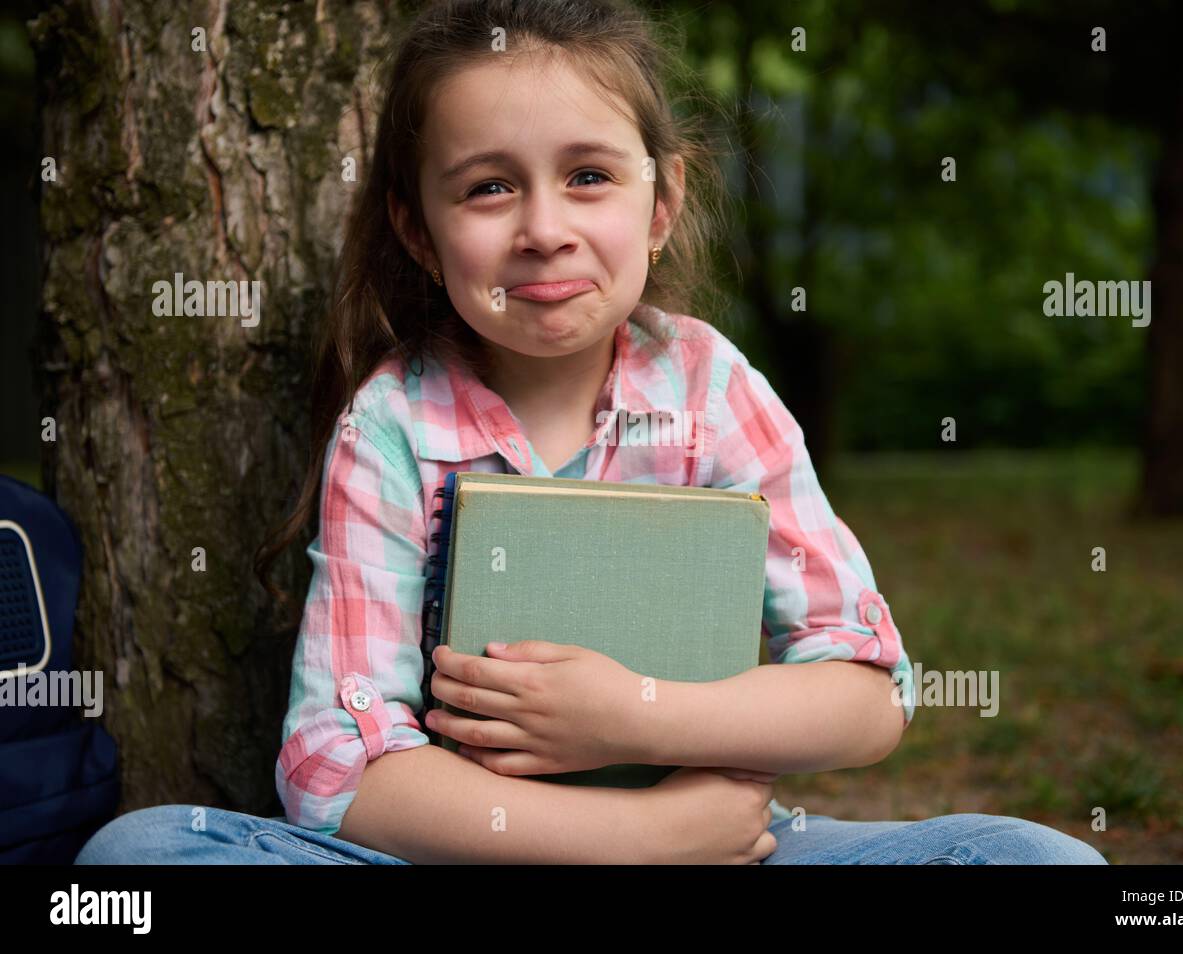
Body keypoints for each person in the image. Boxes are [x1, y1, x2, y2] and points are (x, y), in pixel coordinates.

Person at [77, 0, 1105, 866]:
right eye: (488, 186)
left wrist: (634, 716)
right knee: (143, 857)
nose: (543, 228)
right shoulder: (394, 424)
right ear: (415, 230)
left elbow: (869, 694)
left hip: (725, 846)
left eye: (588, 176)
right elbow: (335, 773)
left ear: (663, 203)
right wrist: (642, 836)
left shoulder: (711, 388)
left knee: (1038, 861)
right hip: (482, 852)